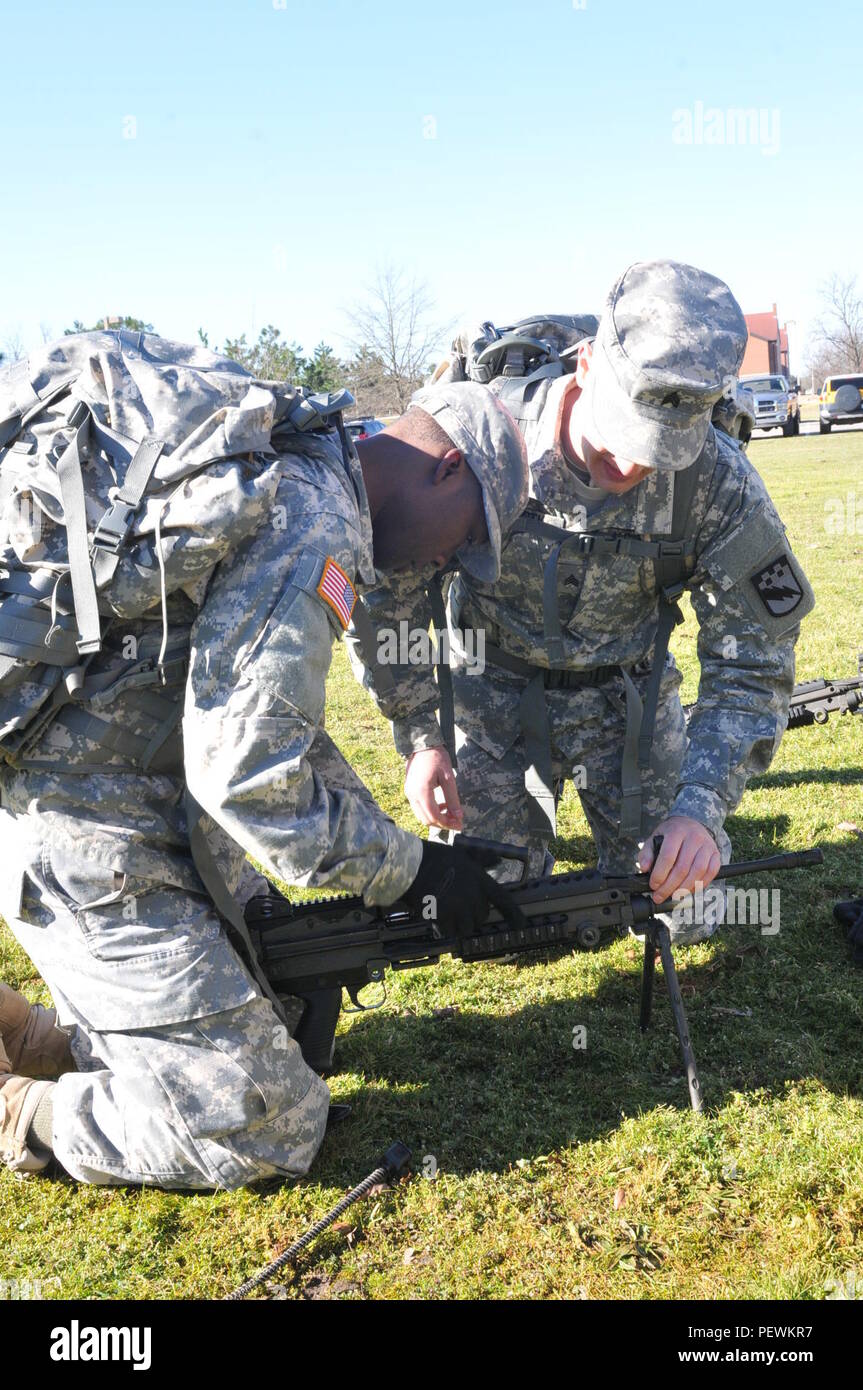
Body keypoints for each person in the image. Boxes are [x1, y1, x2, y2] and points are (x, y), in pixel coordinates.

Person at [0, 329, 529, 1186]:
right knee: (267, 1127)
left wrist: (403, 863)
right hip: (88, 841)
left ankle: (38, 1038)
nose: (444, 562)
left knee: (283, 995)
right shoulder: (313, 521)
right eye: (465, 536)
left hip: (134, 803)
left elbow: (265, 722)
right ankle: (23, 1110)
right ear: (447, 469)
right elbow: (247, 773)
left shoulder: (298, 469)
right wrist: (412, 874)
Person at [348, 260, 815, 941]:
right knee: (486, 924)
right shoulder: (483, 435)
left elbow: (753, 662)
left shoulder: (718, 482)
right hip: (491, 696)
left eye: (661, 454)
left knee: (678, 913)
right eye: (622, 436)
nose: (630, 469)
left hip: (626, 703)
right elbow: (390, 590)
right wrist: (422, 739)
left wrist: (699, 808)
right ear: (588, 363)